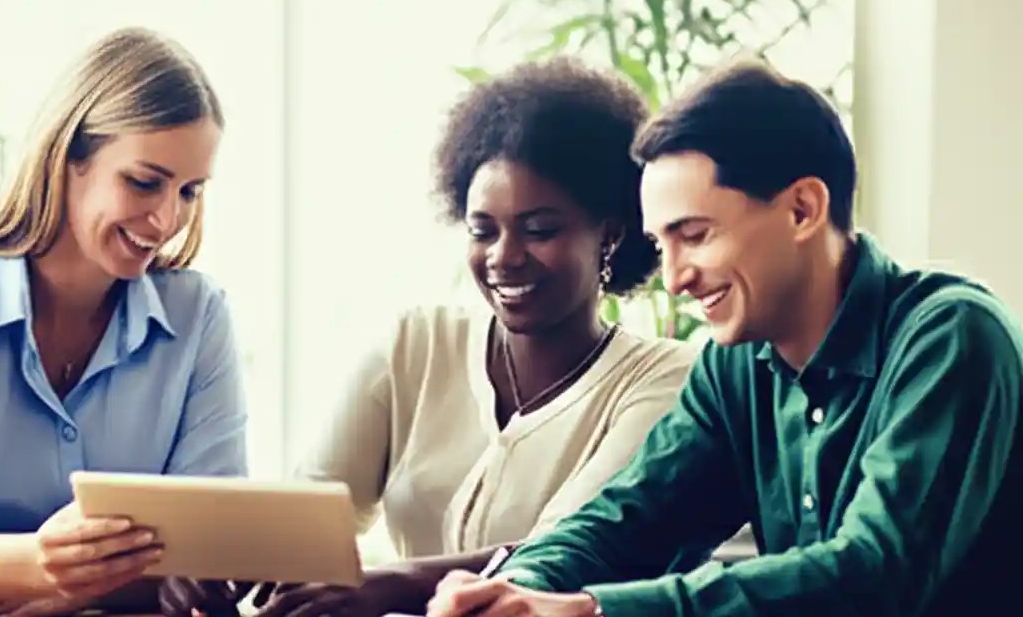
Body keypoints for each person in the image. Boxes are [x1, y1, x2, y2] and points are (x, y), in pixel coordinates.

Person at [426, 59, 1023, 617]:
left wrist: (594, 610)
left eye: (696, 234)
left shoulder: (952, 338)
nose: (677, 278)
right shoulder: (733, 369)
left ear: (802, 210)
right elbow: (628, 520)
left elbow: (876, 572)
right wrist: (513, 589)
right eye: (663, 245)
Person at [172, 58, 698, 617]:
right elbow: (308, 513)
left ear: (610, 236)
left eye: (539, 230)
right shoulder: (416, 344)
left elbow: (575, 547)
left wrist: (389, 583)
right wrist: (218, 561)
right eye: (483, 231)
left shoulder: (666, 380)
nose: (504, 257)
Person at [0, 27, 248, 615]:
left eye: (189, 191)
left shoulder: (198, 317)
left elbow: (210, 555)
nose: (167, 219)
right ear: (69, 159)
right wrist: (41, 565)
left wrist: (43, 598)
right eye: (144, 182)